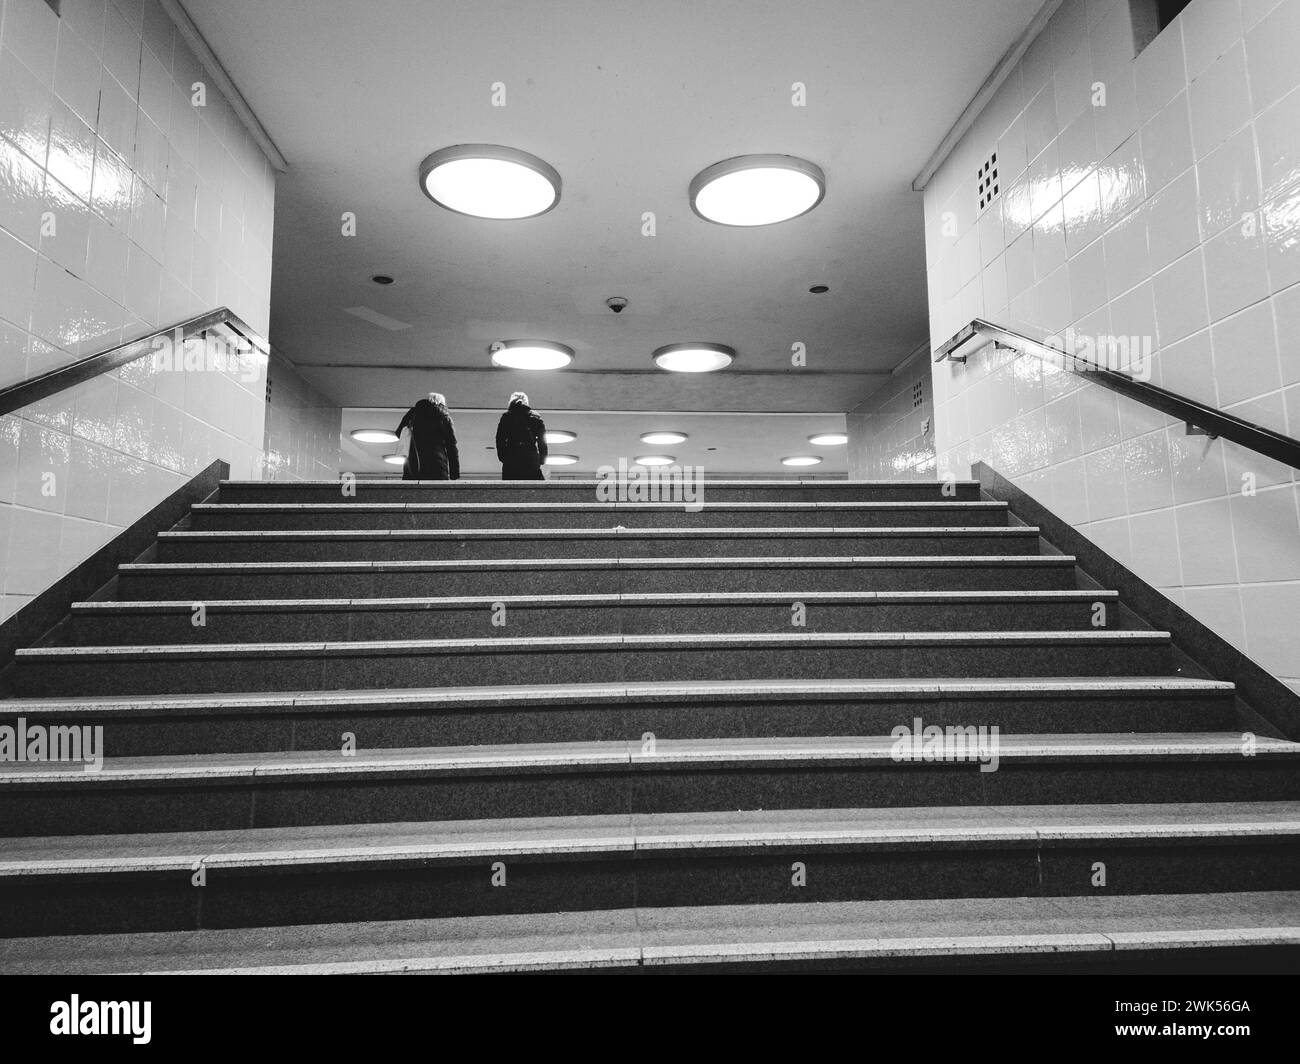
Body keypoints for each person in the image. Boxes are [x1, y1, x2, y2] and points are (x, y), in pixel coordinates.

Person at [394, 391, 460, 481]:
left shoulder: (413, 413)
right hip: (437, 466)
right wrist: (454, 474)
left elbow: (399, 433)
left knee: (412, 493)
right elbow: (451, 447)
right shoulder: (445, 417)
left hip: (414, 464)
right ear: (442, 403)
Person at [495, 391, 548, 480]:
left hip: (511, 457)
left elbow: (500, 439)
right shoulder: (535, 417)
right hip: (531, 457)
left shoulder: (507, 417)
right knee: (535, 488)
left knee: (511, 489)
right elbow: (542, 441)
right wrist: (542, 459)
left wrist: (503, 457)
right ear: (526, 402)